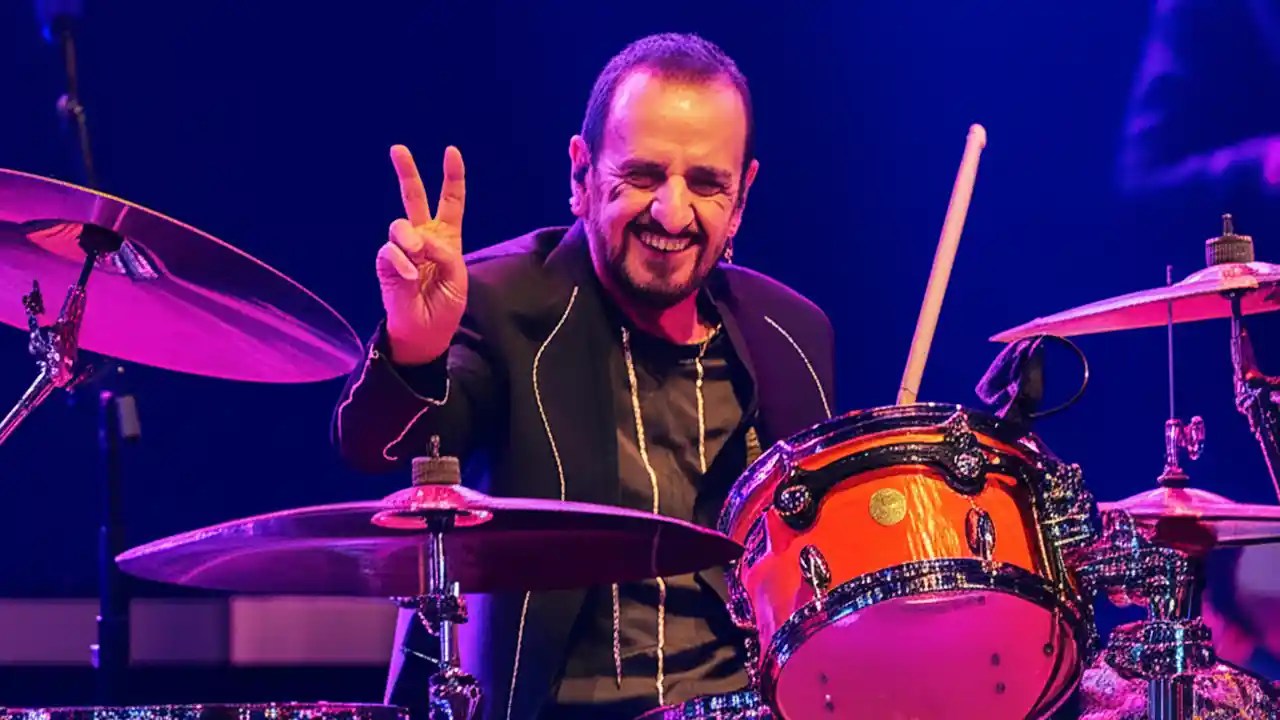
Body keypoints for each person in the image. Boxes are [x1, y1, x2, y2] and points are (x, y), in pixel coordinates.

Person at [331, 32, 837, 720]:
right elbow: (382, 452)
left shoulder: (793, 335)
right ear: (582, 174)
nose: (672, 212)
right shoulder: (498, 303)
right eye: (644, 176)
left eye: (707, 183)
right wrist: (413, 348)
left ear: (742, 195)